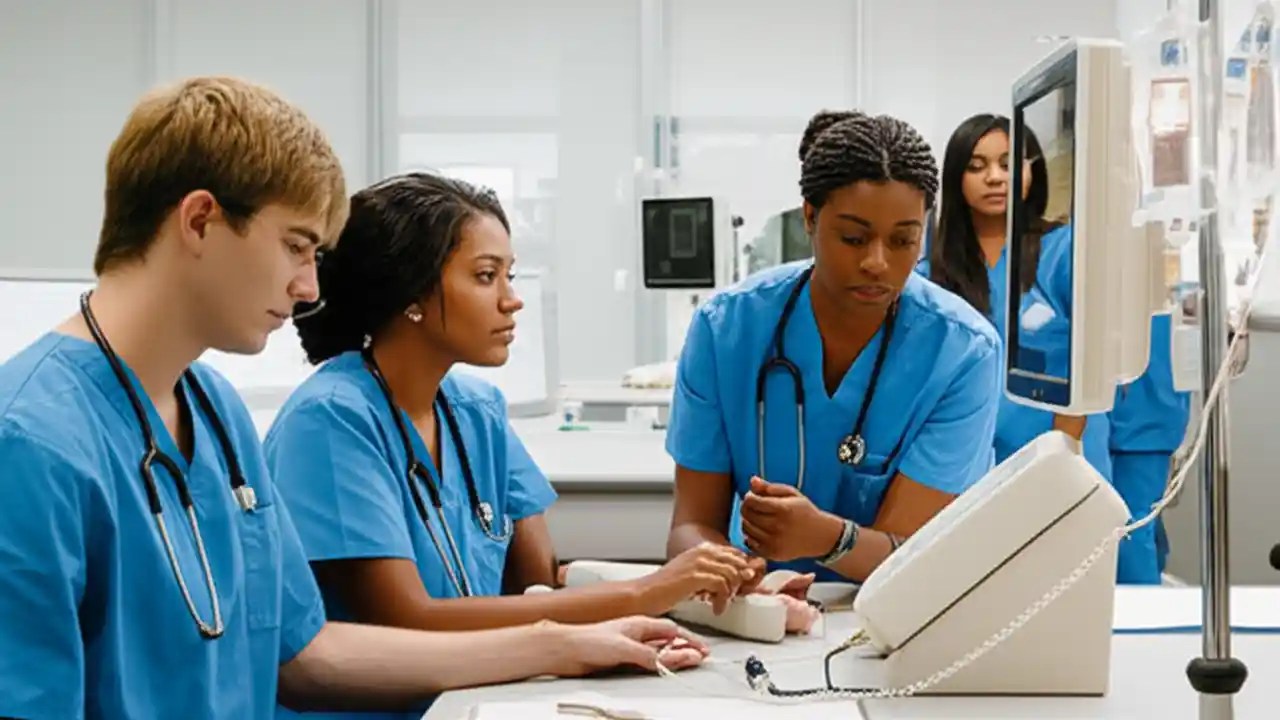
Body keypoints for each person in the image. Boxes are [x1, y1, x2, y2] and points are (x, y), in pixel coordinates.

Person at [0, 76, 706, 720]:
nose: (309, 287)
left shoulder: (215, 412)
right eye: (296, 246)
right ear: (200, 221)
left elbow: (306, 654)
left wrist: (563, 644)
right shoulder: (30, 442)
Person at [261, 173, 757, 686]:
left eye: (509, 275)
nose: (511, 299)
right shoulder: (330, 420)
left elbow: (536, 586)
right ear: (411, 293)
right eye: (485, 276)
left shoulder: (477, 411)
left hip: (482, 691)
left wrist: (712, 589)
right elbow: (408, 618)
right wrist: (644, 593)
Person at [664, 109, 1002, 584]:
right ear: (809, 216)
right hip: (755, 605)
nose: (877, 262)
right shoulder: (726, 330)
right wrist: (731, 577)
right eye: (853, 238)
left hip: (894, 610)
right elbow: (690, 525)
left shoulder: (962, 352)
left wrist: (828, 539)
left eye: (903, 240)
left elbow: (912, 560)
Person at [920, 113, 1113, 486]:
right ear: (956, 177)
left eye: (1008, 165)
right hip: (967, 458)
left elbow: (1091, 359)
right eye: (977, 166)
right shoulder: (933, 273)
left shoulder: (1065, 251)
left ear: (1031, 171)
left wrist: (1061, 456)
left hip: (1065, 452)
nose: (995, 177)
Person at [1107, 315, 1191, 583]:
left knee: (1130, 526)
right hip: (1140, 415)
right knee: (1139, 524)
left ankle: (1140, 600)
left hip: (1141, 418)